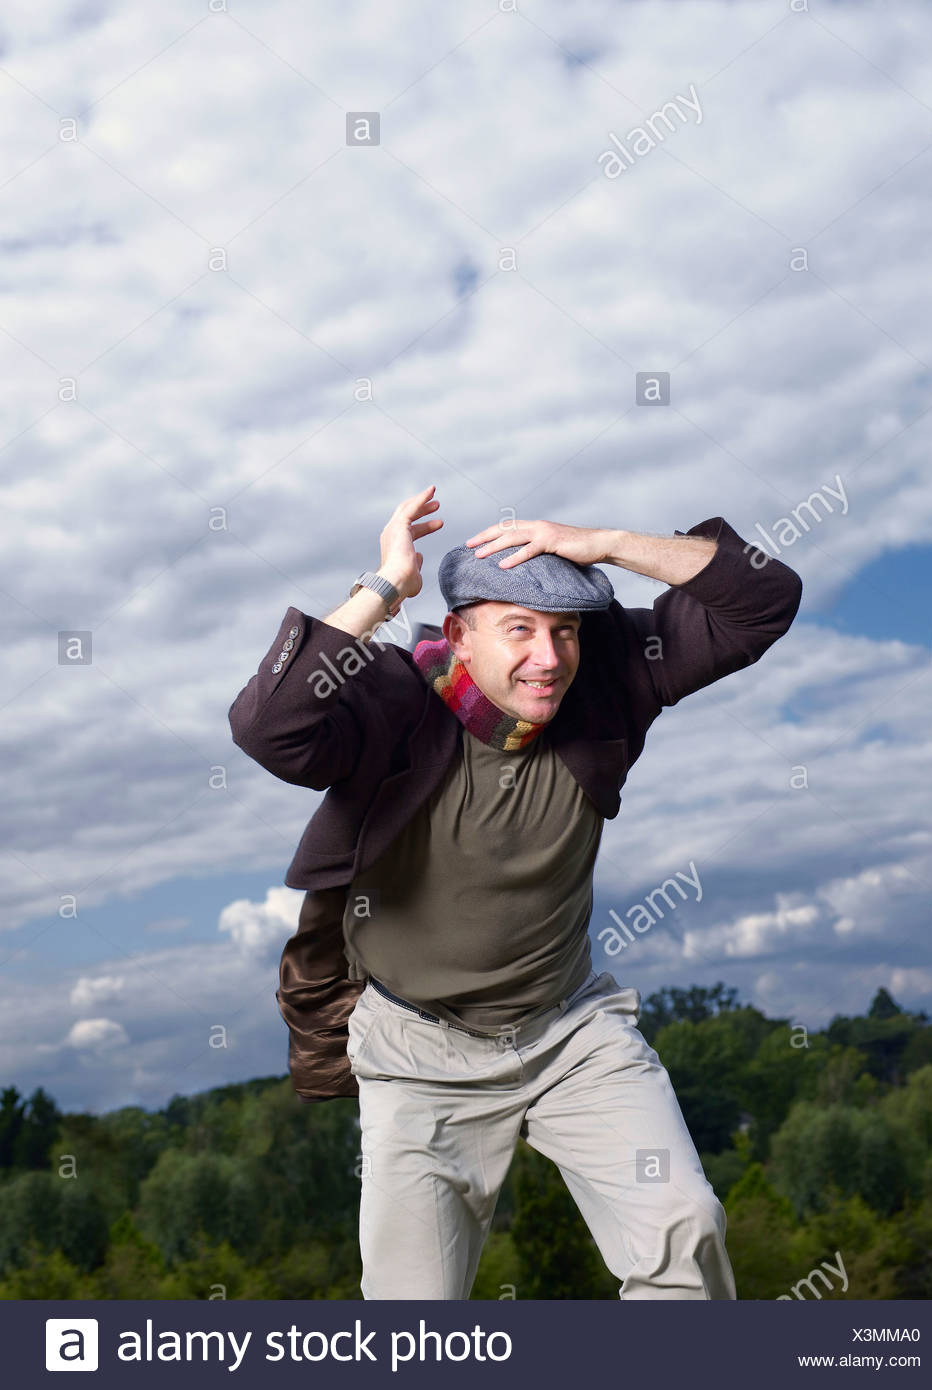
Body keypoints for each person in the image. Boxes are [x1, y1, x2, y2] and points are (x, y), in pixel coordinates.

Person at [228, 483, 803, 1300]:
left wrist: (603, 543)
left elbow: (762, 599)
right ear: (460, 634)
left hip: (569, 1033)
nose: (549, 656)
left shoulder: (606, 681)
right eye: (521, 628)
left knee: (686, 1231)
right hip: (418, 1055)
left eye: (565, 630)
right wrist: (387, 584)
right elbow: (267, 724)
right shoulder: (391, 703)